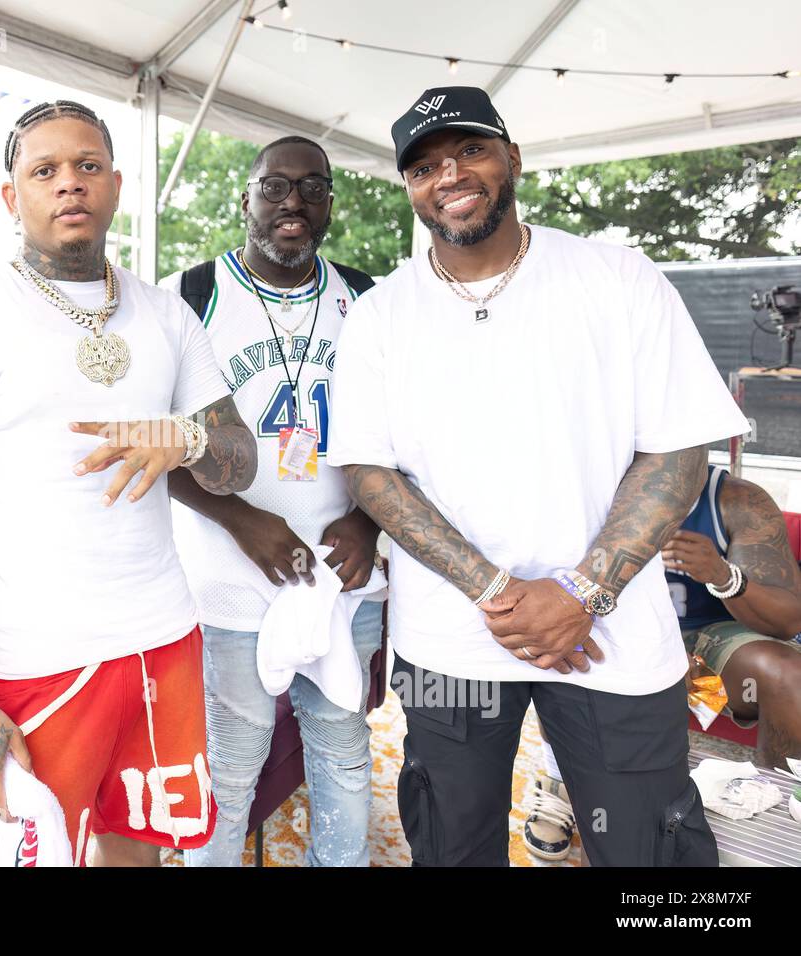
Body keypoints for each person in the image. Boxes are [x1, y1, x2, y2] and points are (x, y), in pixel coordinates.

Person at [329, 86, 750, 866]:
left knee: (647, 849)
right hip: (449, 646)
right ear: (409, 188)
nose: (448, 174)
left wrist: (583, 592)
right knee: (452, 842)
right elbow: (369, 472)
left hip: (612, 639)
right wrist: (497, 592)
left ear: (512, 158)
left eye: (470, 150)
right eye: (423, 166)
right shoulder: (380, 315)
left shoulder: (618, 278)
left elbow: (679, 451)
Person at [0, 100, 258, 867]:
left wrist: (185, 436)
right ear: (10, 196)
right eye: (45, 170)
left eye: (87, 166)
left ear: (117, 185)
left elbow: (238, 459)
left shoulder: (167, 316)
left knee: (141, 851)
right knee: (41, 853)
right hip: (33, 657)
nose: (70, 184)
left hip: (162, 637)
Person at [159, 136, 384, 866]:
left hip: (346, 572)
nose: (294, 202)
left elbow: (404, 431)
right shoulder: (188, 296)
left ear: (329, 203)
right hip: (227, 578)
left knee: (345, 756)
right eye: (276, 186)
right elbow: (153, 446)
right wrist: (240, 517)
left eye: (313, 187)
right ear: (245, 198)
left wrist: (368, 520)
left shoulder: (369, 298)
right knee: (229, 769)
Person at [526, 465, 801, 859]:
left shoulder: (736, 501)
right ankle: (561, 784)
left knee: (787, 673)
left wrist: (724, 576)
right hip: (607, 625)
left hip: (710, 632)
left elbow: (789, 619)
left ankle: (776, 810)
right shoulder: (582, 486)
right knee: (562, 639)